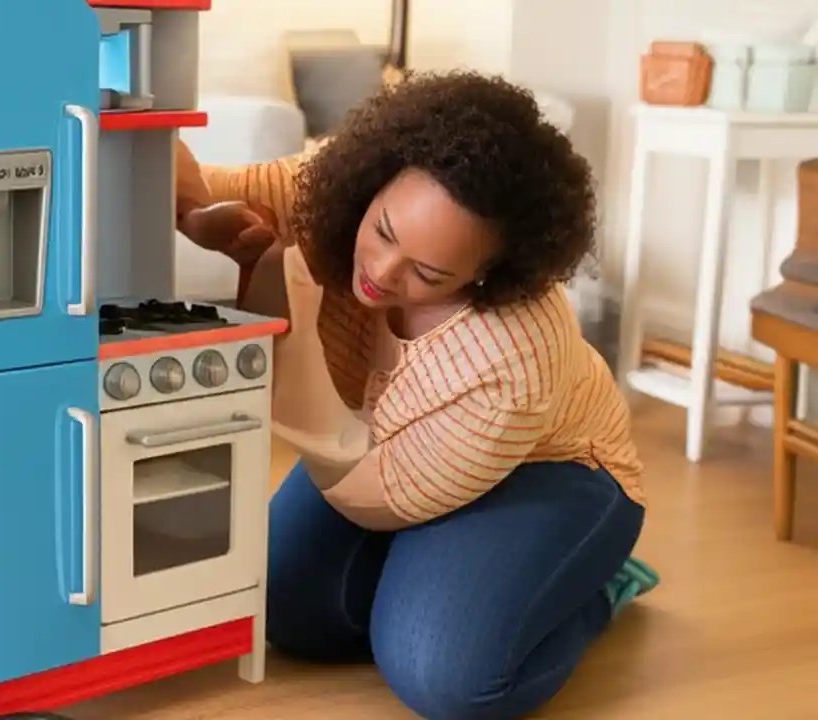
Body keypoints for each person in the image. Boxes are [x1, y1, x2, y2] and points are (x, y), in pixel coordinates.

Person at [174, 71, 660, 720]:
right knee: (281, 607)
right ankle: (445, 581)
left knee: (447, 678)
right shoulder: (337, 188)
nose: (379, 272)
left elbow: (383, 498)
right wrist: (195, 216)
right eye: (382, 231)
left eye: (428, 273)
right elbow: (197, 182)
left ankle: (595, 586)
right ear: (373, 184)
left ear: (488, 275)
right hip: (396, 449)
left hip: (553, 471)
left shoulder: (513, 356)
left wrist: (288, 342)